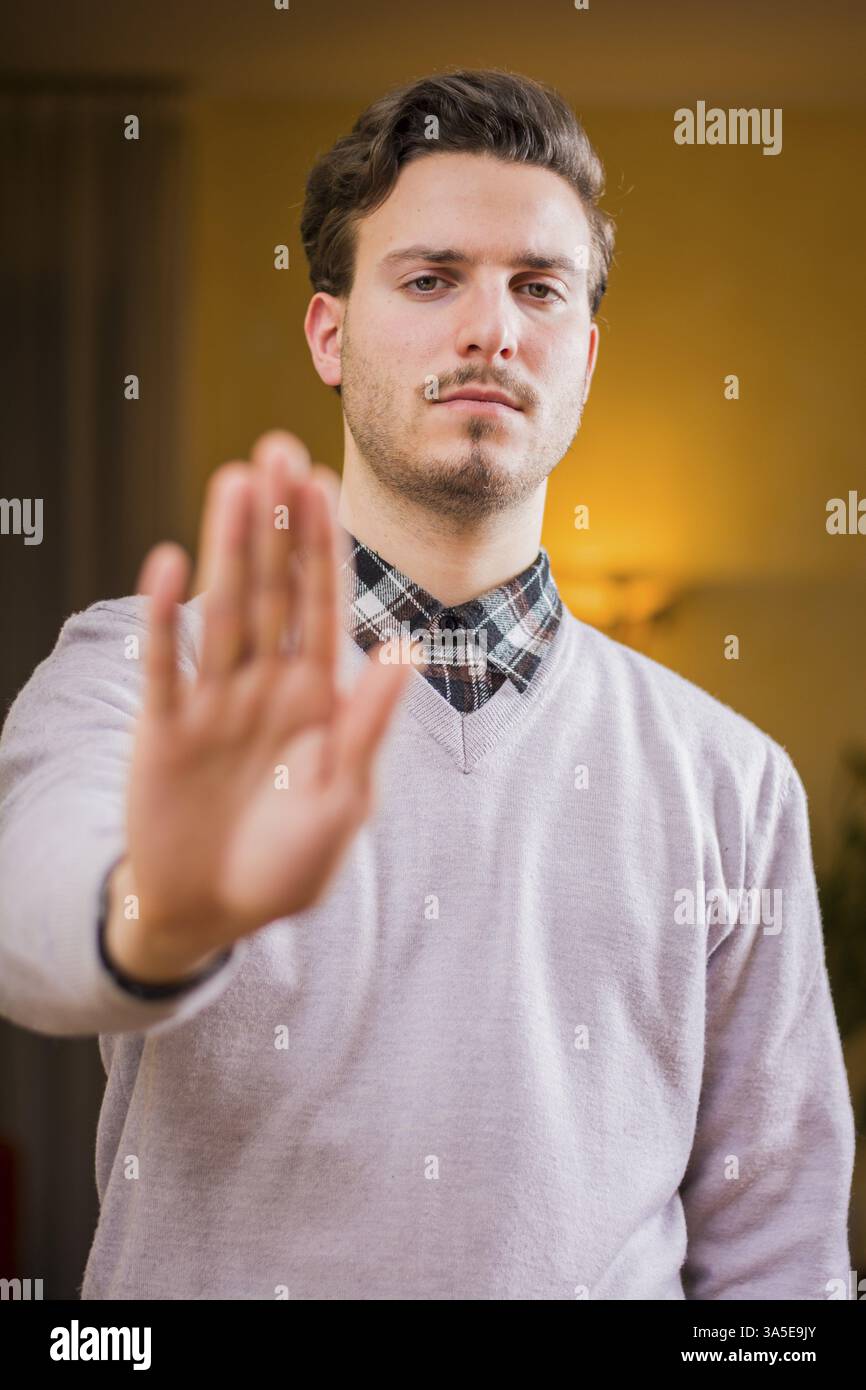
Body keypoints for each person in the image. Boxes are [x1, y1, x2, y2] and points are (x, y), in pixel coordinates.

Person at [0, 68, 855, 1301]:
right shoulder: (143, 673)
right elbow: (29, 918)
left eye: (537, 288)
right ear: (329, 332)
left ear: (584, 354)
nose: (492, 328)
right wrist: (156, 916)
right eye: (430, 276)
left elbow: (777, 1257)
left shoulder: (731, 780)